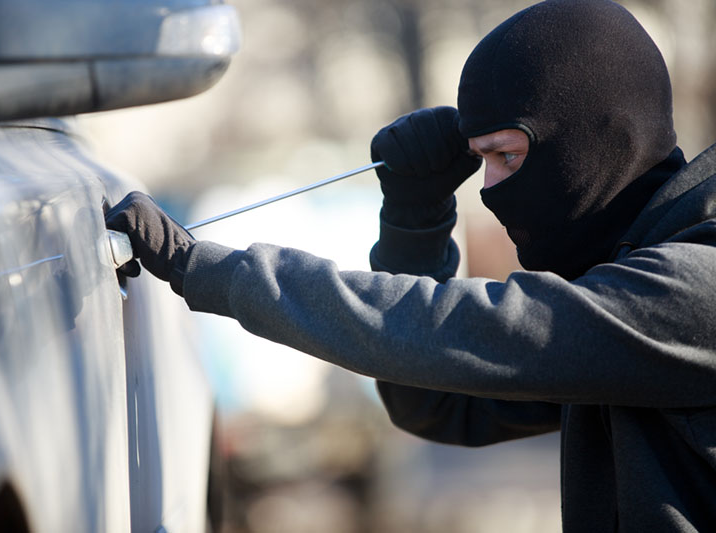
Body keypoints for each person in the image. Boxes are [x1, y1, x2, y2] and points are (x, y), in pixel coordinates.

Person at [106, 0, 716, 530]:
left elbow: (480, 331)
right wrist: (415, 220)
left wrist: (210, 271)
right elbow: (439, 403)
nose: (491, 188)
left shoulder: (693, 291)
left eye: (507, 154)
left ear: (593, 139)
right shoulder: (629, 276)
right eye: (481, 160)